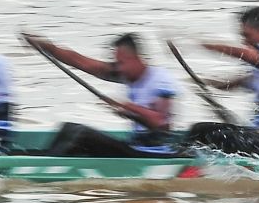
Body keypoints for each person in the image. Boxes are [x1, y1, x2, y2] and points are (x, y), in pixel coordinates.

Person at [23, 33, 181, 158]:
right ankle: (45, 158)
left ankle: (45, 165)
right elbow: (81, 62)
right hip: (134, 146)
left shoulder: (160, 80)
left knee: (80, 134)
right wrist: (47, 47)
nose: (118, 68)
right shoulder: (128, 75)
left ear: (136, 58)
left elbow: (160, 123)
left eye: (121, 62)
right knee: (69, 128)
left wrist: (127, 107)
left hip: (153, 154)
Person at [183, 7, 259, 158]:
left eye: (247, 35)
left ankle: (185, 163)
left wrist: (207, 46)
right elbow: (231, 84)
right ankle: (187, 160)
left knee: (217, 136)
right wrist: (204, 83)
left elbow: (244, 54)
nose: (244, 41)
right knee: (199, 129)